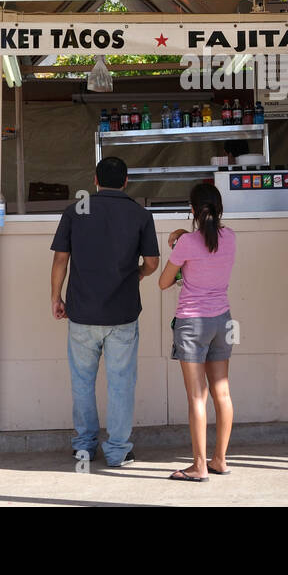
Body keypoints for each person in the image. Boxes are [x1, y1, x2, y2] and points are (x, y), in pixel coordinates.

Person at [50, 156, 159, 467]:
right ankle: (118, 450)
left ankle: (84, 446)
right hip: (122, 314)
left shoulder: (75, 212)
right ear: (126, 182)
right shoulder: (140, 215)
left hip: (81, 312)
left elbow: (60, 260)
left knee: (82, 381)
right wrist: (138, 272)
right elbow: (152, 263)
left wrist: (56, 297)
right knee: (121, 382)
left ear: (94, 181)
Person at [159, 183, 236, 482]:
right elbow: (209, 243)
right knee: (223, 392)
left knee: (196, 398)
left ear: (191, 209)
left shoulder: (187, 245)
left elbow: (164, 282)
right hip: (222, 321)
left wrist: (180, 248)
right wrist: (183, 237)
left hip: (192, 323)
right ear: (219, 209)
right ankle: (220, 459)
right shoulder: (231, 238)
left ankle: (199, 466)